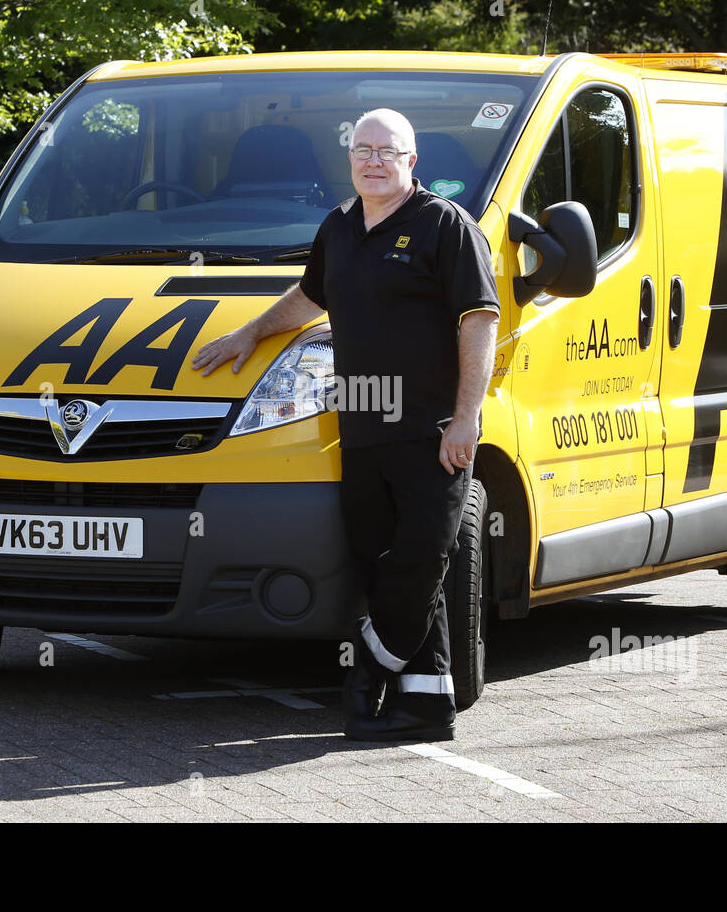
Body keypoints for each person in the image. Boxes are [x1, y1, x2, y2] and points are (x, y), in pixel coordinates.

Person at [191, 108, 499, 741]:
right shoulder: (339, 225)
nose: (374, 160)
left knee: (420, 559)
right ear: (350, 158)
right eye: (364, 150)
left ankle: (363, 671)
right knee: (383, 563)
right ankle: (427, 704)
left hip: (430, 430)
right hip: (359, 429)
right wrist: (249, 333)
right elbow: (312, 295)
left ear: (413, 162)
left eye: (389, 151)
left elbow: (479, 320)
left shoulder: (446, 226)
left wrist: (466, 418)